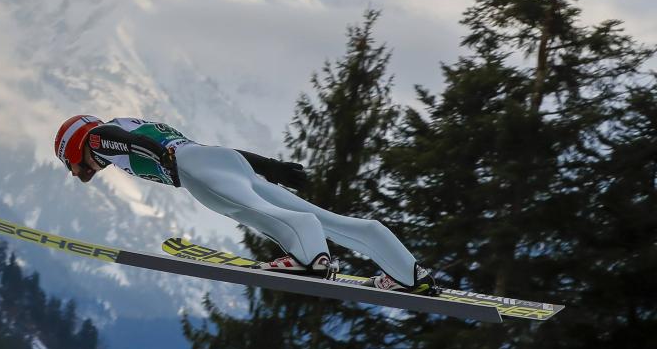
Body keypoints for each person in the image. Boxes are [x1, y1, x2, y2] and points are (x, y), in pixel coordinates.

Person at [54, 115, 437, 294]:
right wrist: (274, 169)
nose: (76, 173)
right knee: (332, 221)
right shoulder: (128, 126)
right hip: (216, 158)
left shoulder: (97, 138)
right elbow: (214, 154)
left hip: (190, 168)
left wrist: (163, 158)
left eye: (70, 164)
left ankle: (310, 261)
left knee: (255, 213)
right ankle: (408, 273)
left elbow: (122, 140)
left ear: (73, 146)